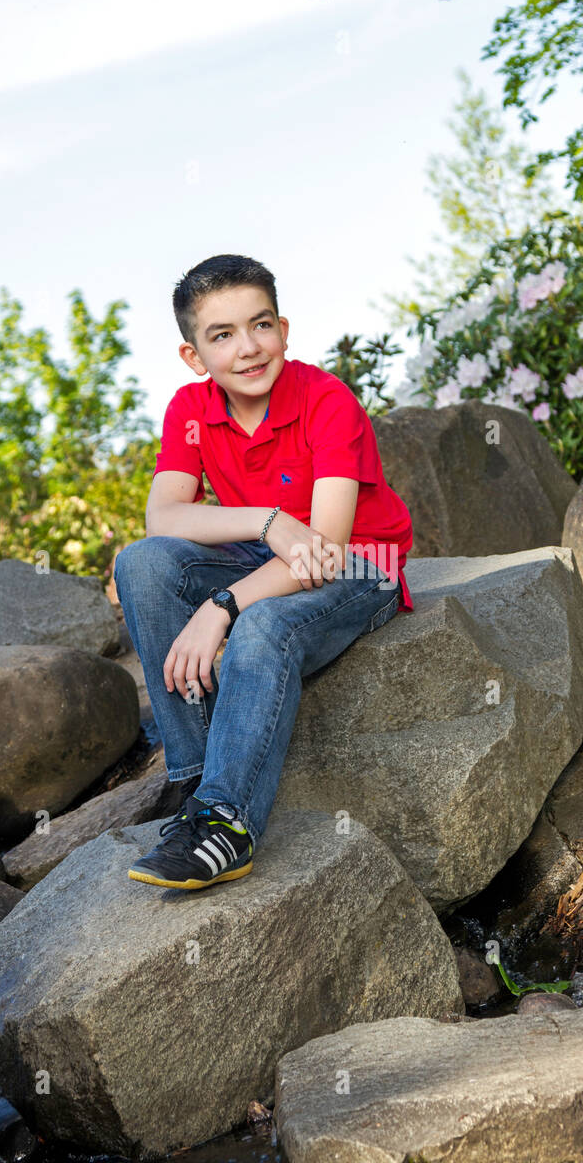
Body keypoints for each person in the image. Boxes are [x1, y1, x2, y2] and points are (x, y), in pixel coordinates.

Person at [114, 253, 414, 891]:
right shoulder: (191, 411)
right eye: (222, 336)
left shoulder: (325, 399)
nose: (248, 349)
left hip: (362, 563)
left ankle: (228, 823)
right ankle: (200, 781)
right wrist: (268, 521)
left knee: (262, 627)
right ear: (194, 356)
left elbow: (327, 549)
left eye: (261, 326)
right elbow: (161, 515)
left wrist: (221, 605)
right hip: (272, 551)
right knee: (142, 564)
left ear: (284, 328)